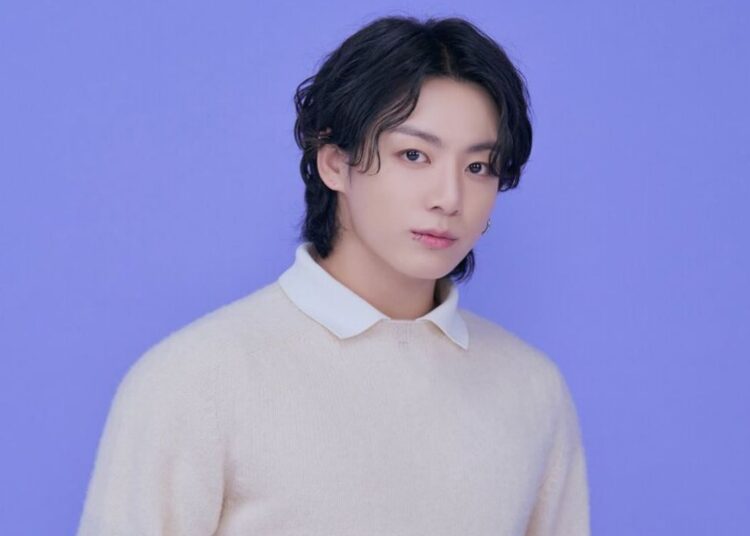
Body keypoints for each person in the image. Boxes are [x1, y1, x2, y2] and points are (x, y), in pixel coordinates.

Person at [77, 14, 590, 536]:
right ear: (335, 164)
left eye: (478, 167)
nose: (449, 197)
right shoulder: (194, 381)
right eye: (414, 155)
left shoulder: (532, 391)